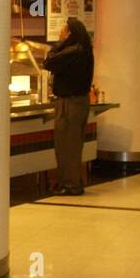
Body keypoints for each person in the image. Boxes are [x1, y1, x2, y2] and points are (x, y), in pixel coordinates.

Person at [44, 17, 94, 195]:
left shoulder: (72, 51)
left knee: (66, 145)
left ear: (70, 33)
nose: (61, 32)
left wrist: (59, 43)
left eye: (64, 30)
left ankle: (71, 185)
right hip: (79, 101)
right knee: (73, 145)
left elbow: (48, 62)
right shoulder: (84, 50)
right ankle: (71, 182)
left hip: (69, 104)